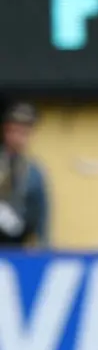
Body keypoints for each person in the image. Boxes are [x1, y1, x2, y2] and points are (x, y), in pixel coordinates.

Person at [0, 102, 50, 248]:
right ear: (5, 131)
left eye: (24, 133)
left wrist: (41, 246)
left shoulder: (33, 172)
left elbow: (41, 214)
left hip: (17, 246)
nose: (17, 138)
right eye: (14, 131)